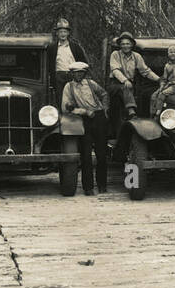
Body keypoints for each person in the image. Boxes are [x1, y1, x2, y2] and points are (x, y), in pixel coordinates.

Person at [61, 61, 109, 195]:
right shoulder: (68, 87)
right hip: (83, 121)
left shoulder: (91, 83)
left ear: (85, 73)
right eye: (76, 72)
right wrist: (83, 111)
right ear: (72, 73)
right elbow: (65, 108)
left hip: (98, 117)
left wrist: (105, 110)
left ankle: (102, 186)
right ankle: (88, 188)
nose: (79, 75)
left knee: (102, 154)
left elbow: (104, 94)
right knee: (86, 155)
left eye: (81, 72)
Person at [108, 32, 160, 119]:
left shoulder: (136, 56)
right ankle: (131, 111)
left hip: (130, 83)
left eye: (127, 44)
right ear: (120, 45)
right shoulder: (115, 54)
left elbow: (145, 71)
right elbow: (115, 70)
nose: (125, 46)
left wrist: (159, 79)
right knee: (125, 87)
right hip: (115, 83)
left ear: (132, 44)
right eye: (123, 44)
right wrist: (125, 80)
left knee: (144, 93)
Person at [53, 17, 89, 89]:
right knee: (60, 97)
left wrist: (79, 75)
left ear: (68, 33)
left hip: (73, 75)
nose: (63, 34)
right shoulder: (52, 47)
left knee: (73, 96)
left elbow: (83, 62)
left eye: (65, 32)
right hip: (59, 76)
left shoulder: (75, 47)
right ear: (57, 33)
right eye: (60, 32)